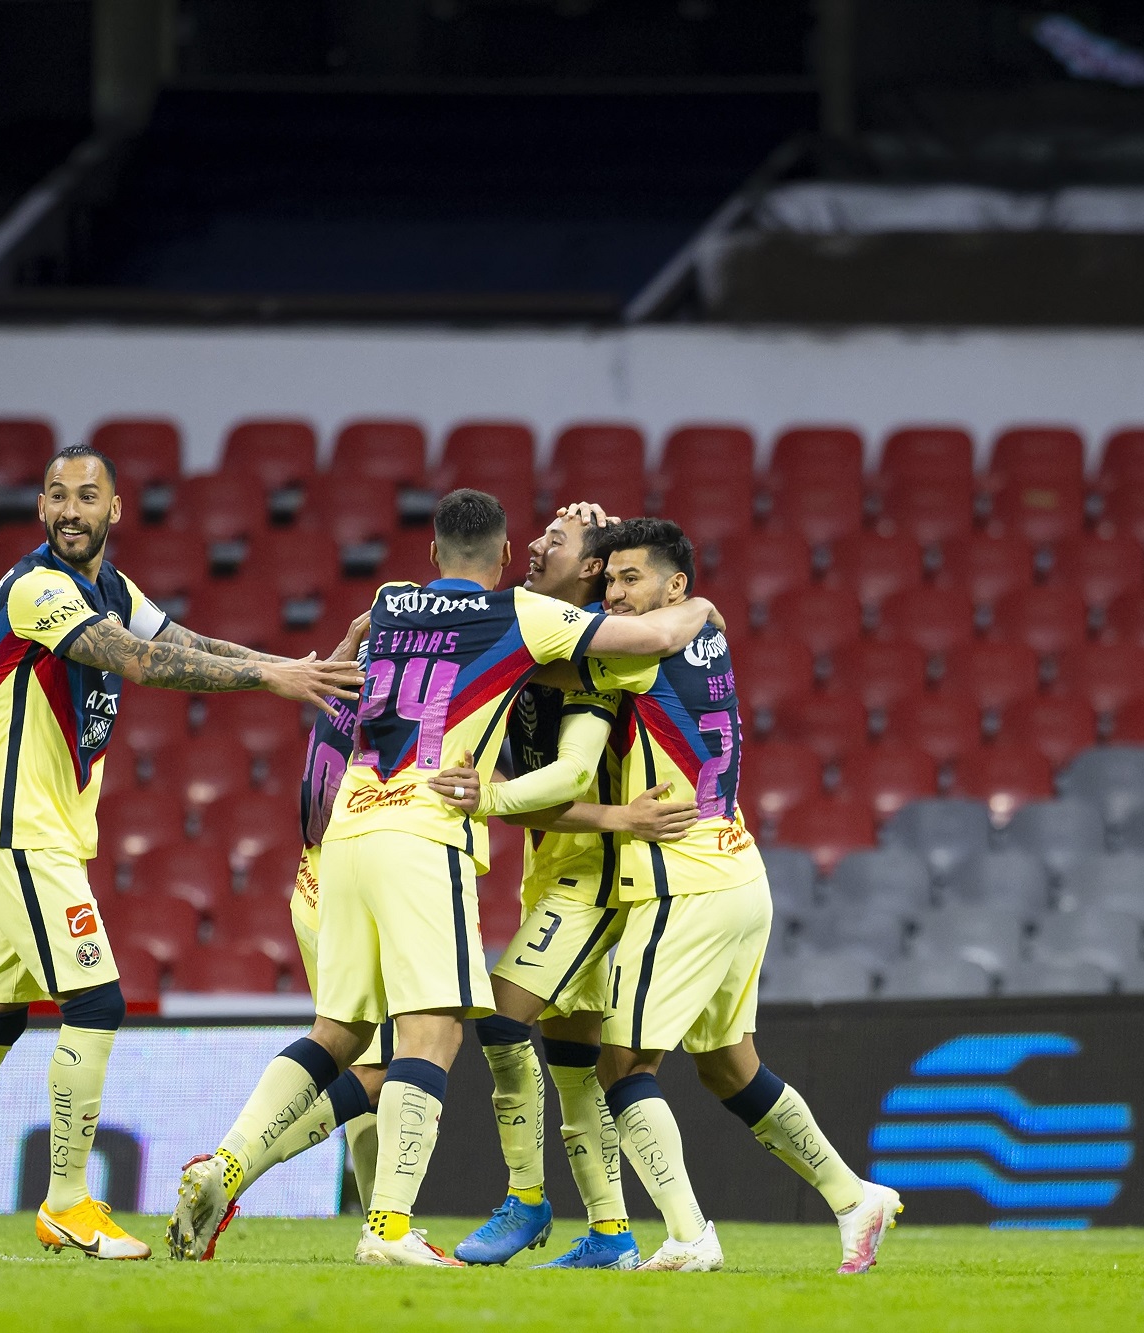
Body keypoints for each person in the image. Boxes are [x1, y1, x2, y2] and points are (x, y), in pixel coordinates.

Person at [170, 489, 715, 1267]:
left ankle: (224, 1164)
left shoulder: (392, 602)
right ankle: (393, 1227)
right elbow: (657, 633)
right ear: (499, 563)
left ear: (432, 557)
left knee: (343, 1034)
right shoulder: (522, 618)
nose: (531, 551)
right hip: (424, 830)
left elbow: (359, 640)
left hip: (345, 832)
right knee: (434, 1032)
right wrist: (702, 607)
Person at [0, 444, 362, 1262]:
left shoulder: (111, 587)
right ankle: (67, 1201)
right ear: (40, 508)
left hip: (30, 834)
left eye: (88, 497)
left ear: (114, 510)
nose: (71, 510)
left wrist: (282, 665)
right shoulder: (38, 588)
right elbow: (140, 660)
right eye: (58, 496)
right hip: (19, 834)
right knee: (97, 1004)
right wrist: (269, 682)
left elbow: (179, 635)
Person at [437, 514, 902, 1276]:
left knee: (623, 1065)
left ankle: (688, 1235)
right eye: (610, 578)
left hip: (679, 881)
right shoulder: (701, 634)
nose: (616, 595)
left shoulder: (641, 657)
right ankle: (854, 1196)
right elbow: (644, 626)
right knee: (728, 1065)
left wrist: (483, 790)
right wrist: (696, 605)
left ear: (673, 584)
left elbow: (536, 665)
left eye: (631, 580)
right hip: (741, 872)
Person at [444, 512, 697, 1271]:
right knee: (570, 1055)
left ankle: (525, 1197)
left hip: (590, 874)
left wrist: (483, 796)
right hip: (552, 869)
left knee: (499, 1015)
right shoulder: (531, 634)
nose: (534, 549)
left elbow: (567, 777)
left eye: (555, 541)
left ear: (589, 574)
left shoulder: (596, 659)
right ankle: (613, 1232)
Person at [166, 615, 390, 1261]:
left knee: (356, 1052)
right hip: (364, 889)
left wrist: (346, 643)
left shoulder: (340, 696)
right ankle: (230, 1169)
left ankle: (381, 1219)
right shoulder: (404, 707)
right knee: (386, 1068)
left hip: (314, 886)